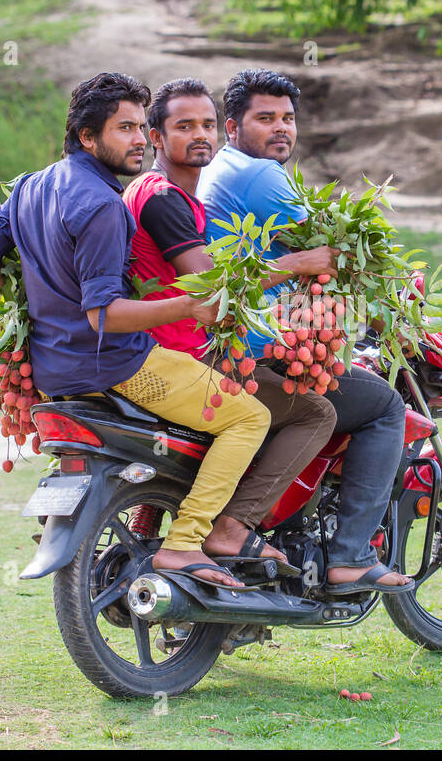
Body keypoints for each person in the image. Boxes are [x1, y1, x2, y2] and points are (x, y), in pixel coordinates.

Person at [0, 71, 266, 591]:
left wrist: (46, 309)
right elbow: (105, 316)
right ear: (87, 136)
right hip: (122, 367)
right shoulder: (103, 205)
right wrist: (188, 304)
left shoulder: (32, 185)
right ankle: (188, 541)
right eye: (125, 128)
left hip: (55, 371)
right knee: (248, 419)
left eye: (143, 128)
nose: (140, 140)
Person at [195, 68, 412, 594]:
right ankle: (351, 556)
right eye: (265, 118)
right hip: (256, 350)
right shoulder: (260, 176)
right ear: (232, 126)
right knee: (384, 407)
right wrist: (389, 309)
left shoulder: (219, 170)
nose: (281, 129)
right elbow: (334, 250)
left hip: (240, 342)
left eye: (288, 119)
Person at [123, 77, 339, 565]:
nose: (200, 135)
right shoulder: (164, 199)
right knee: (310, 412)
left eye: (204, 125)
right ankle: (231, 528)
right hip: (182, 354)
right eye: (184, 126)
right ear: (155, 137)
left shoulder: (170, 193)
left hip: (182, 348)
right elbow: (214, 286)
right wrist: (301, 263)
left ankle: (154, 516)